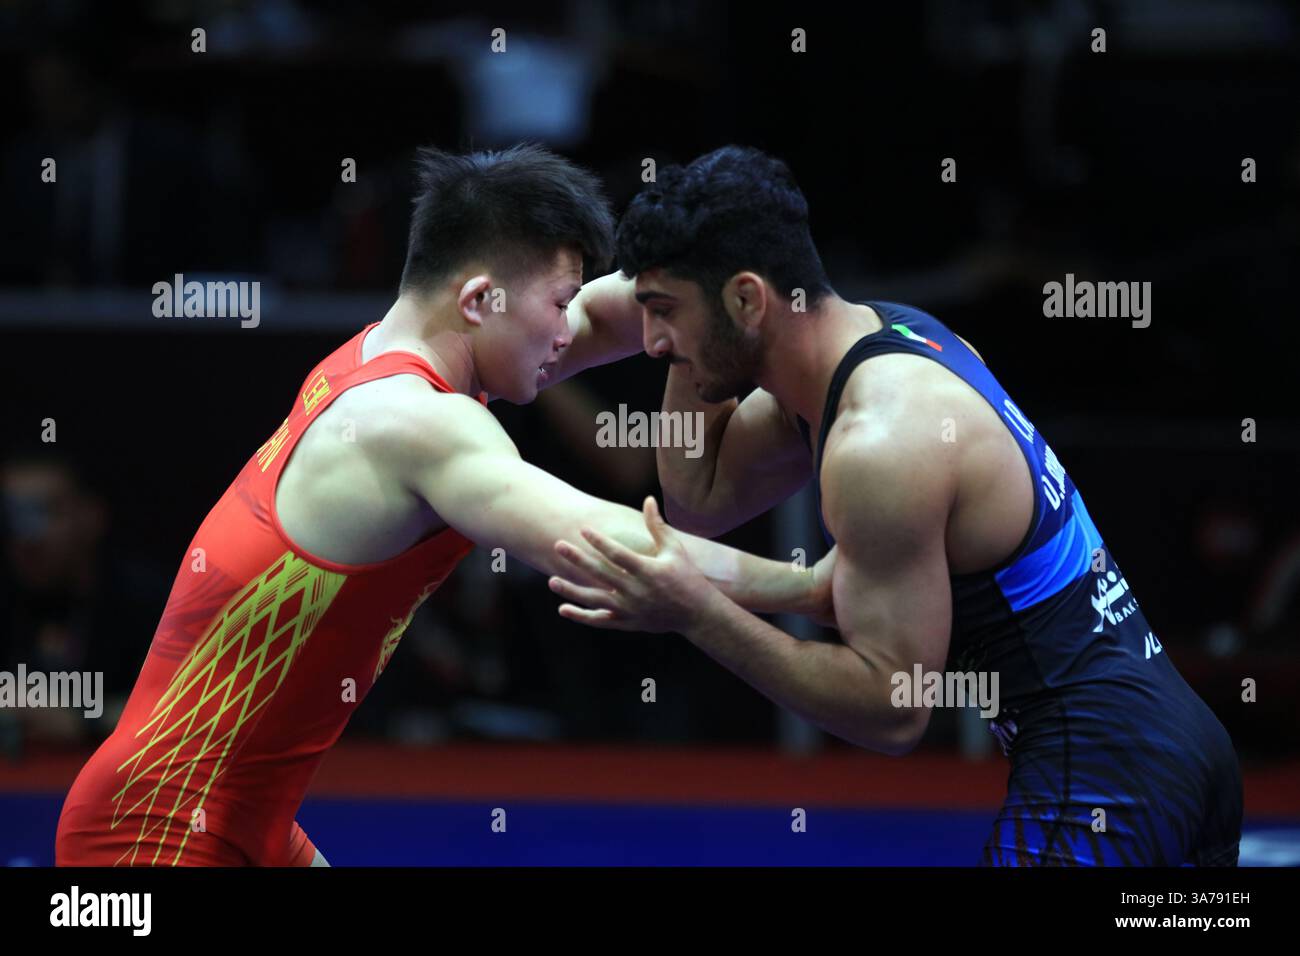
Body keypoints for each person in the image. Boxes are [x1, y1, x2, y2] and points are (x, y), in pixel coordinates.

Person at [54, 144, 828, 867]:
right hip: (150, 829)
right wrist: (812, 590)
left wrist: (741, 269)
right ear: (480, 298)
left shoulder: (385, 358)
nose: (568, 332)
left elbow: (607, 315)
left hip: (239, 820)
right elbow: (606, 539)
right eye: (557, 304)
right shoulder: (417, 422)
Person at [548, 145, 1242, 866]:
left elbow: (893, 709)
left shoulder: (880, 443)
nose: (651, 342)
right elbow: (702, 495)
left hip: (1109, 773)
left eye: (665, 313)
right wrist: (461, 370)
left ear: (748, 300)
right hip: (1171, 748)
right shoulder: (887, 343)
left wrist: (696, 611)